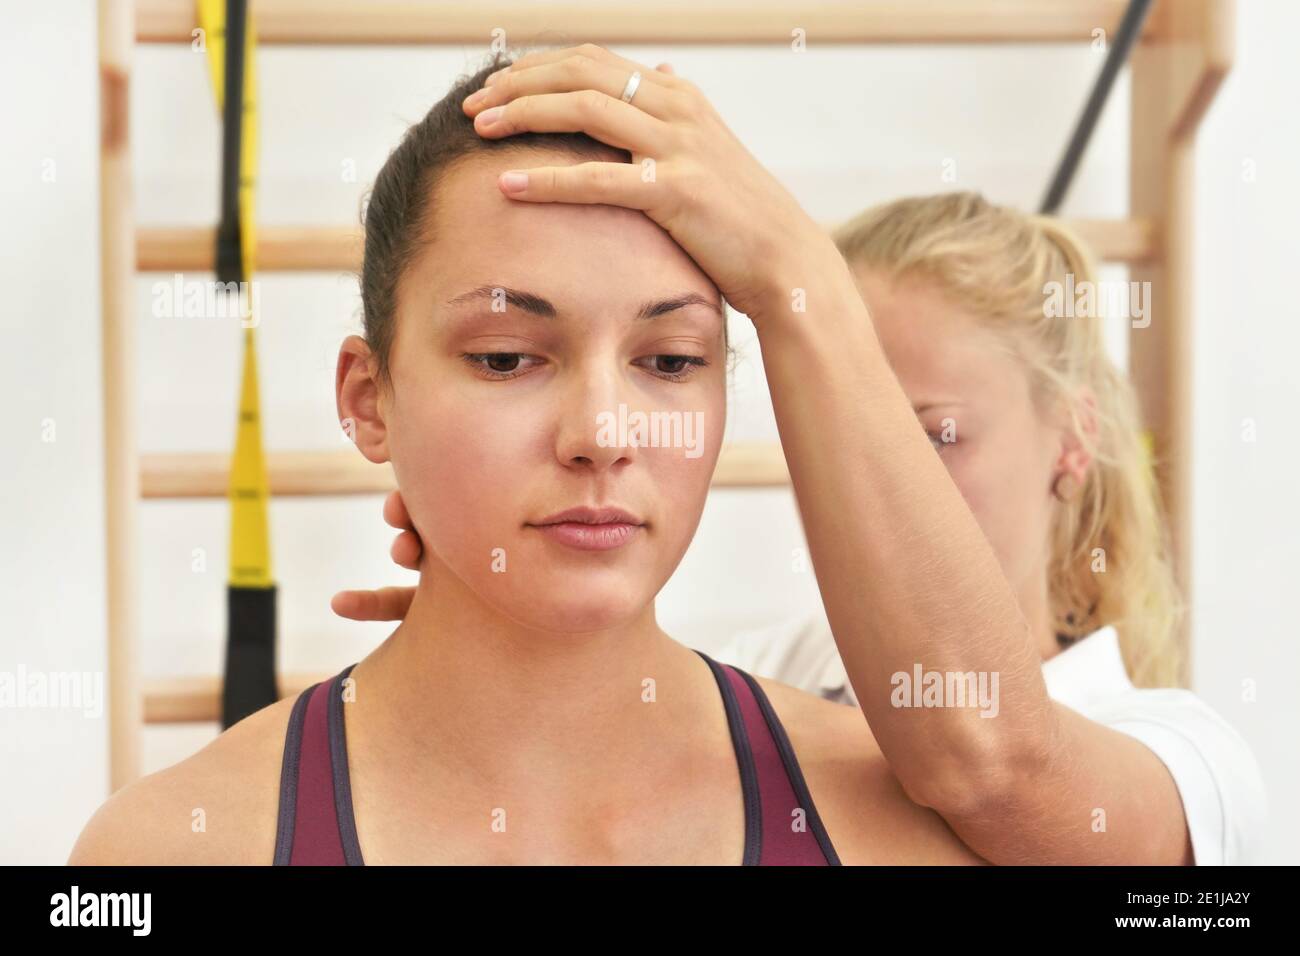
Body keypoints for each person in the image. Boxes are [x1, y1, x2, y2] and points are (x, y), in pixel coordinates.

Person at [329, 52, 1265, 864]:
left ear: (1073, 439)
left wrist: (793, 272)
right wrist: (501, 628)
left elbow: (988, 756)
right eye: (841, 419)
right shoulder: (773, 678)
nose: (604, 433)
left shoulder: (1188, 763)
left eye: (928, 434)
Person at [69, 48, 992, 865]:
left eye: (670, 361)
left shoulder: (894, 826)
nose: (603, 434)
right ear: (367, 398)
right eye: (505, 358)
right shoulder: (170, 850)